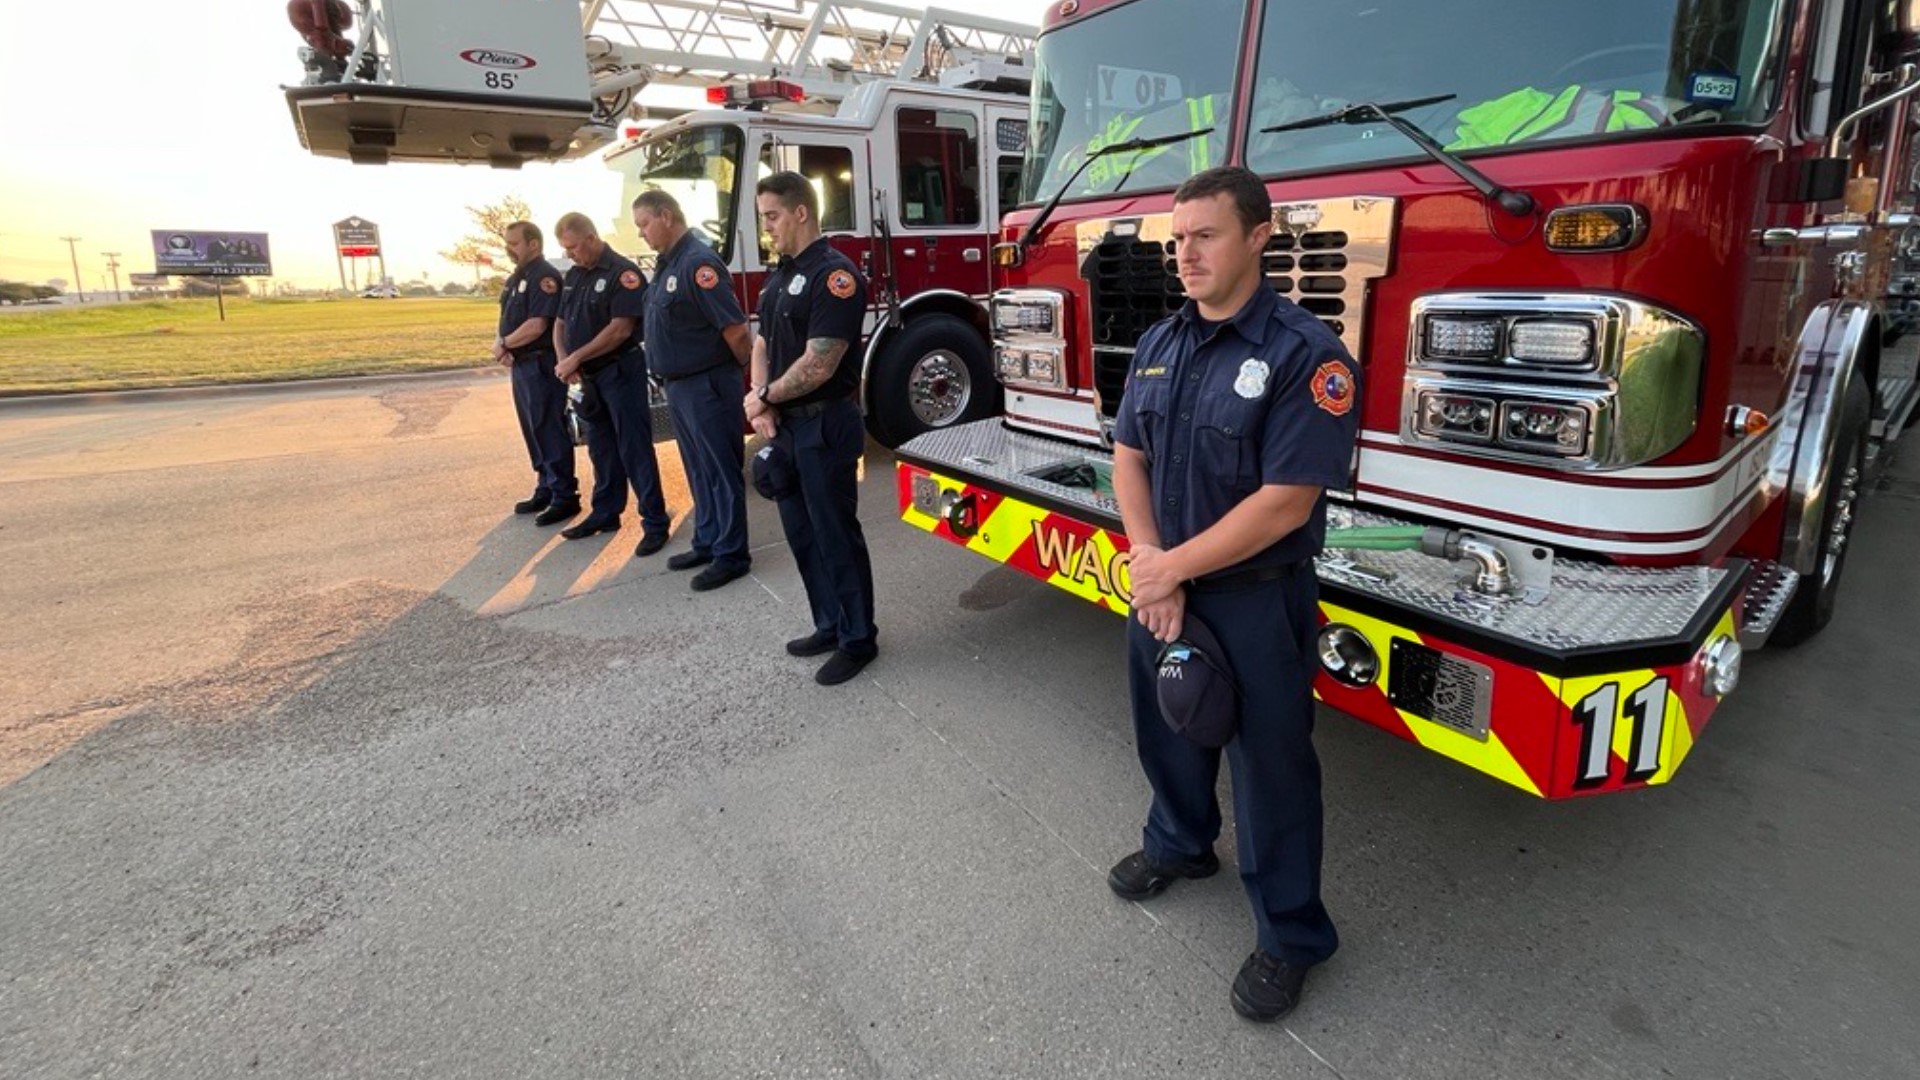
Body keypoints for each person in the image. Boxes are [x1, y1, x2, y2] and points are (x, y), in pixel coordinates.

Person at [1106, 165, 1360, 1023]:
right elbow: (1128, 456)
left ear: (1259, 235)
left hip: (1256, 600)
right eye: (1177, 239)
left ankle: (1290, 935)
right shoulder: (1159, 344)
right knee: (1169, 729)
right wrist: (1151, 561)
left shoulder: (1306, 356)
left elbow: (1286, 502)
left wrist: (1174, 570)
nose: (1186, 254)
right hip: (1164, 582)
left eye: (1204, 235)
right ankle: (1179, 846)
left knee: (1273, 770)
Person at [744, 171, 877, 686]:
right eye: (763, 218)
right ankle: (829, 623)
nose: (767, 227)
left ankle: (858, 638)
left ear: (801, 212)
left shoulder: (834, 276)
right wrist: (761, 403)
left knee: (835, 534)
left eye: (772, 216)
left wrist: (766, 397)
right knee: (802, 534)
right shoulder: (779, 277)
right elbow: (762, 345)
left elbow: (820, 363)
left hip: (825, 425)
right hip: (785, 425)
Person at [633, 190, 754, 591]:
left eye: (644, 224)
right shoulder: (669, 264)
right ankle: (707, 540)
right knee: (699, 471)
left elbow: (735, 330)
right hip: (682, 386)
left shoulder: (698, 264)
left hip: (708, 383)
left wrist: (739, 377)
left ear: (666, 216)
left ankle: (732, 554)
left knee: (721, 471)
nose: (642, 234)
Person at [551, 211, 672, 556]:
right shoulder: (574, 275)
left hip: (618, 372)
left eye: (573, 247)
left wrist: (577, 358)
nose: (570, 254)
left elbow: (620, 329)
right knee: (599, 447)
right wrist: (565, 361)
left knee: (634, 448)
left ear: (591, 238)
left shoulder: (624, 274)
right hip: (585, 377)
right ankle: (605, 512)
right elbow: (560, 323)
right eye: (565, 249)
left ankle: (654, 522)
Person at [491, 220, 577, 523]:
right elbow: (509, 319)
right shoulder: (517, 278)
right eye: (507, 242)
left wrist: (504, 344)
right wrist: (506, 346)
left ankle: (565, 494)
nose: (508, 248)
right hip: (522, 364)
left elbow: (538, 324)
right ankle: (546, 485)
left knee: (547, 426)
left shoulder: (544, 277)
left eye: (514, 243)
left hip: (540, 362)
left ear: (533, 244)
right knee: (532, 428)